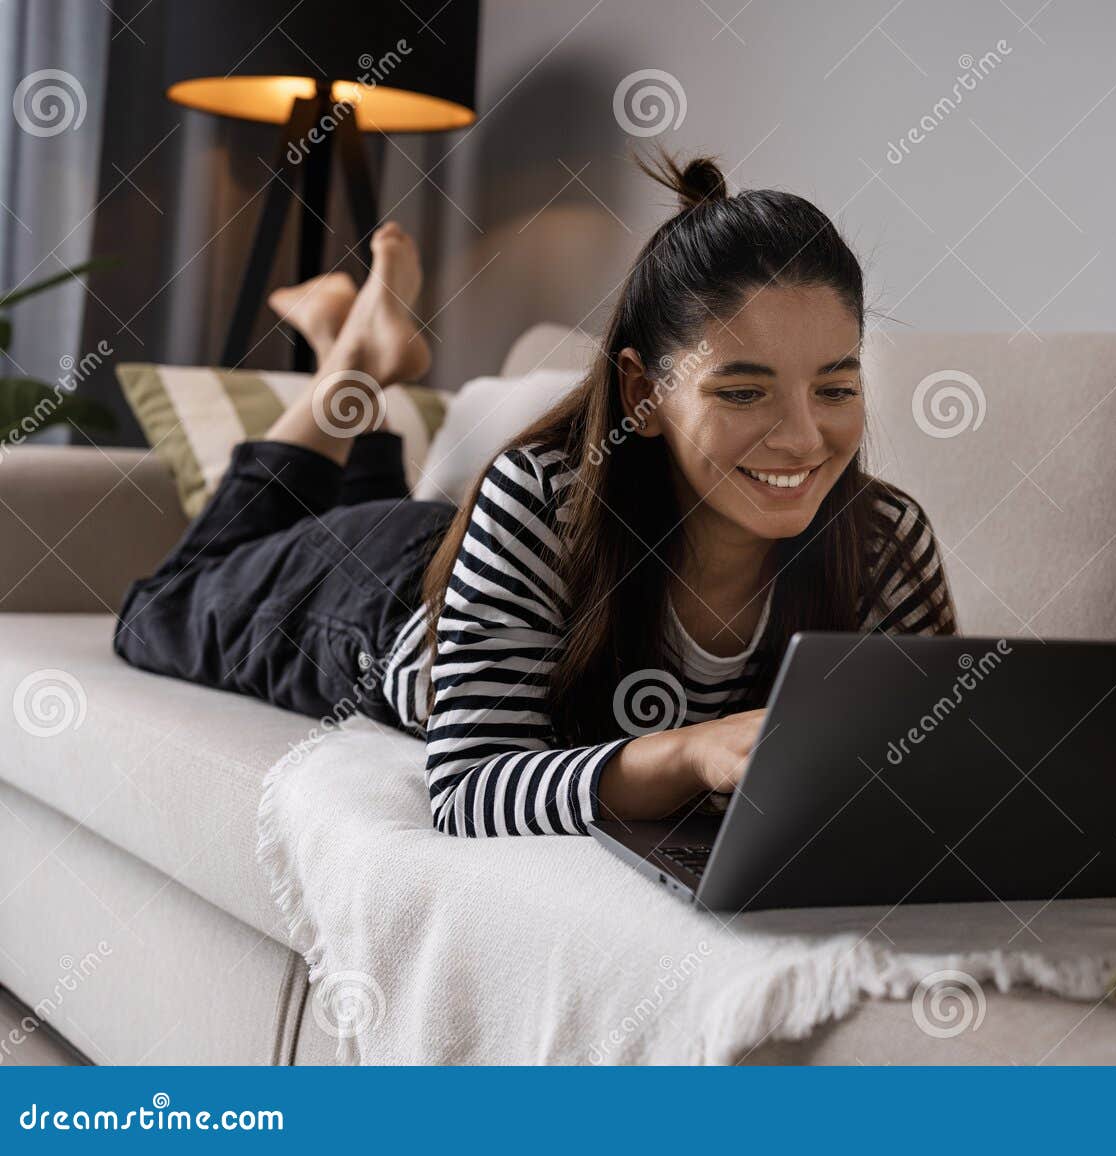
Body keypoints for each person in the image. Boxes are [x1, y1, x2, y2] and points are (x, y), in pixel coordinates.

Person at [115, 153, 957, 838]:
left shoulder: (883, 541)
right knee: (161, 610)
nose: (805, 439)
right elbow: (470, 786)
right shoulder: (540, 498)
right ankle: (352, 363)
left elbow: (932, 772)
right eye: (744, 393)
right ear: (643, 397)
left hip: (479, 566)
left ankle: (356, 339)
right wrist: (690, 754)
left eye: (836, 390)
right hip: (379, 604)